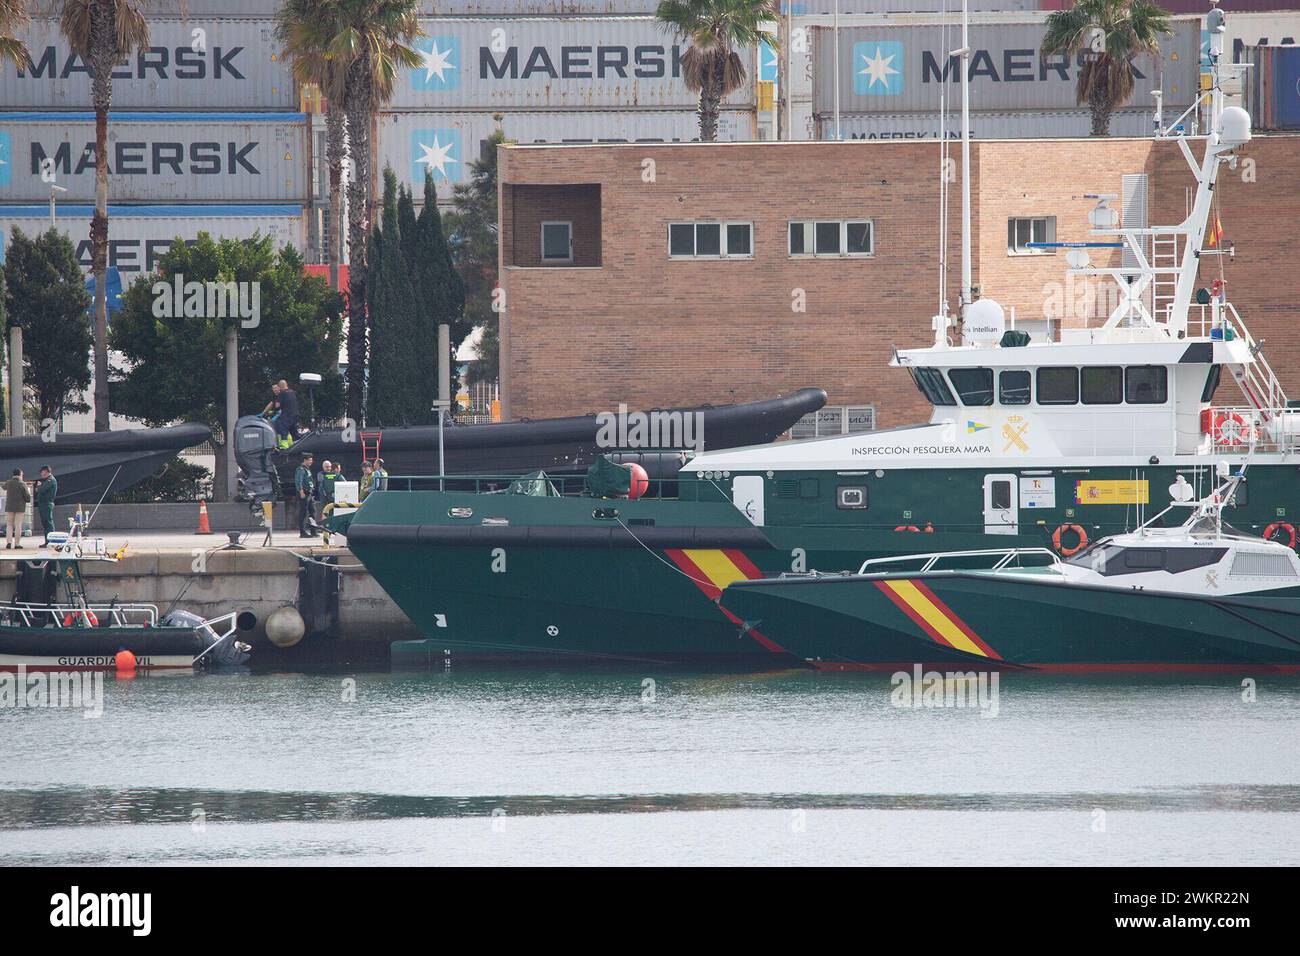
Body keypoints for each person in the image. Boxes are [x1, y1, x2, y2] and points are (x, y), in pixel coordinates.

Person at [3, 468, 31, 550]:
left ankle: (9, 542)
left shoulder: (8, 482)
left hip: (9, 506)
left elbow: (3, 487)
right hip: (20, 507)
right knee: (18, 525)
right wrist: (27, 500)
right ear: (20, 474)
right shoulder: (22, 483)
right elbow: (27, 496)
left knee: (9, 525)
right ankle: (17, 544)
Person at [295, 453, 317, 538]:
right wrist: (301, 492)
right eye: (310, 460)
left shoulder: (307, 469)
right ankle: (302, 532)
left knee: (313, 511)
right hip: (304, 493)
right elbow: (298, 481)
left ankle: (313, 530)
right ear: (305, 460)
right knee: (303, 512)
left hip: (309, 493)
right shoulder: (301, 469)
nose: (311, 462)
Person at [35, 466, 57, 546]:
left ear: (46, 471)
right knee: (45, 523)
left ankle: (51, 541)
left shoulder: (50, 480)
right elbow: (39, 489)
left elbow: (41, 490)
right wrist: (39, 487)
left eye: (42, 471)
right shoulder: (48, 480)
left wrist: (39, 486)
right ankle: (48, 541)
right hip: (43, 504)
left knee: (48, 522)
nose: (41, 473)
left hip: (46, 504)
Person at [275, 379, 300, 447]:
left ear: (280, 387)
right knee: (294, 431)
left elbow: (277, 405)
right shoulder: (292, 392)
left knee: (280, 425)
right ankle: (297, 445)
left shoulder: (282, 393)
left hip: (287, 415)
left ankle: (284, 445)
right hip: (296, 415)